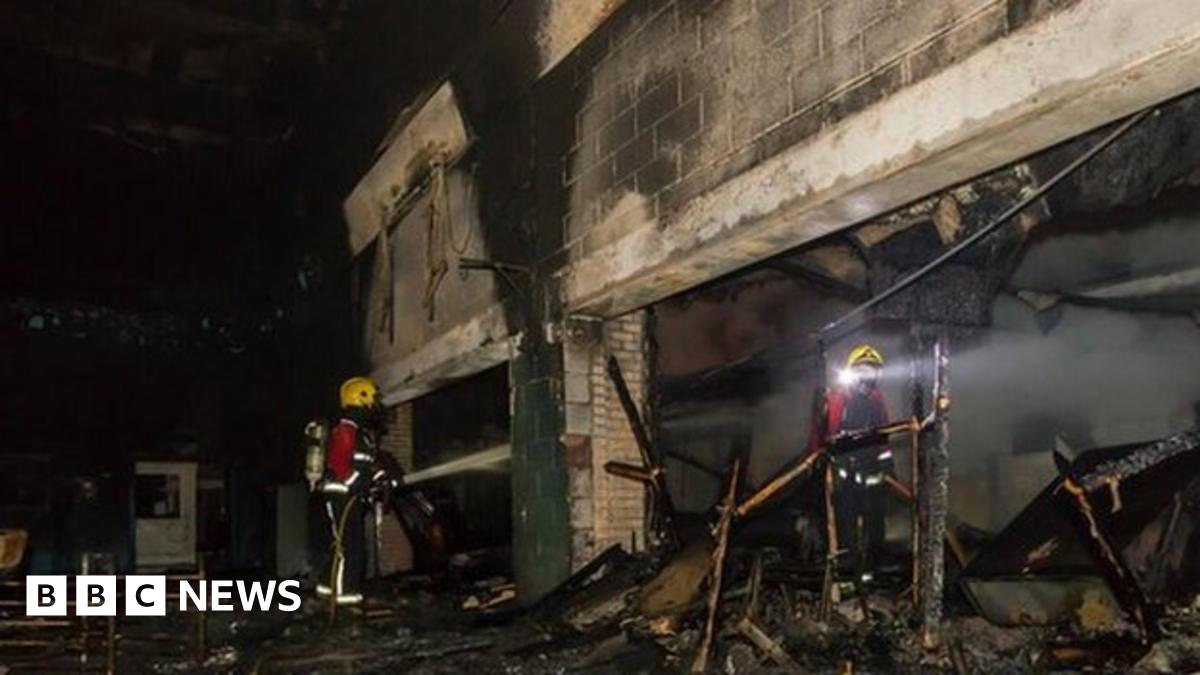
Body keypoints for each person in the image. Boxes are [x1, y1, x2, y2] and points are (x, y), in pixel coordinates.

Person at [809, 344, 893, 581]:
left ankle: (871, 573)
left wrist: (887, 465)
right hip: (843, 472)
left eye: (872, 370)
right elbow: (820, 433)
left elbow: (884, 434)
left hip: (872, 472)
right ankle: (846, 575)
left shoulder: (877, 400)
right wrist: (817, 462)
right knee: (844, 523)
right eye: (862, 370)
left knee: (874, 523)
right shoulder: (837, 399)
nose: (867, 376)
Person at [316, 376, 385, 606]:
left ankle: (326, 590)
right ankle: (347, 602)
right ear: (360, 397)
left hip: (348, 494)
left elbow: (363, 464)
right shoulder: (347, 429)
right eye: (373, 398)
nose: (375, 404)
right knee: (351, 547)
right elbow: (338, 462)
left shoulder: (359, 433)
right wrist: (356, 483)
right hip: (341, 494)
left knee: (341, 544)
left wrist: (378, 478)